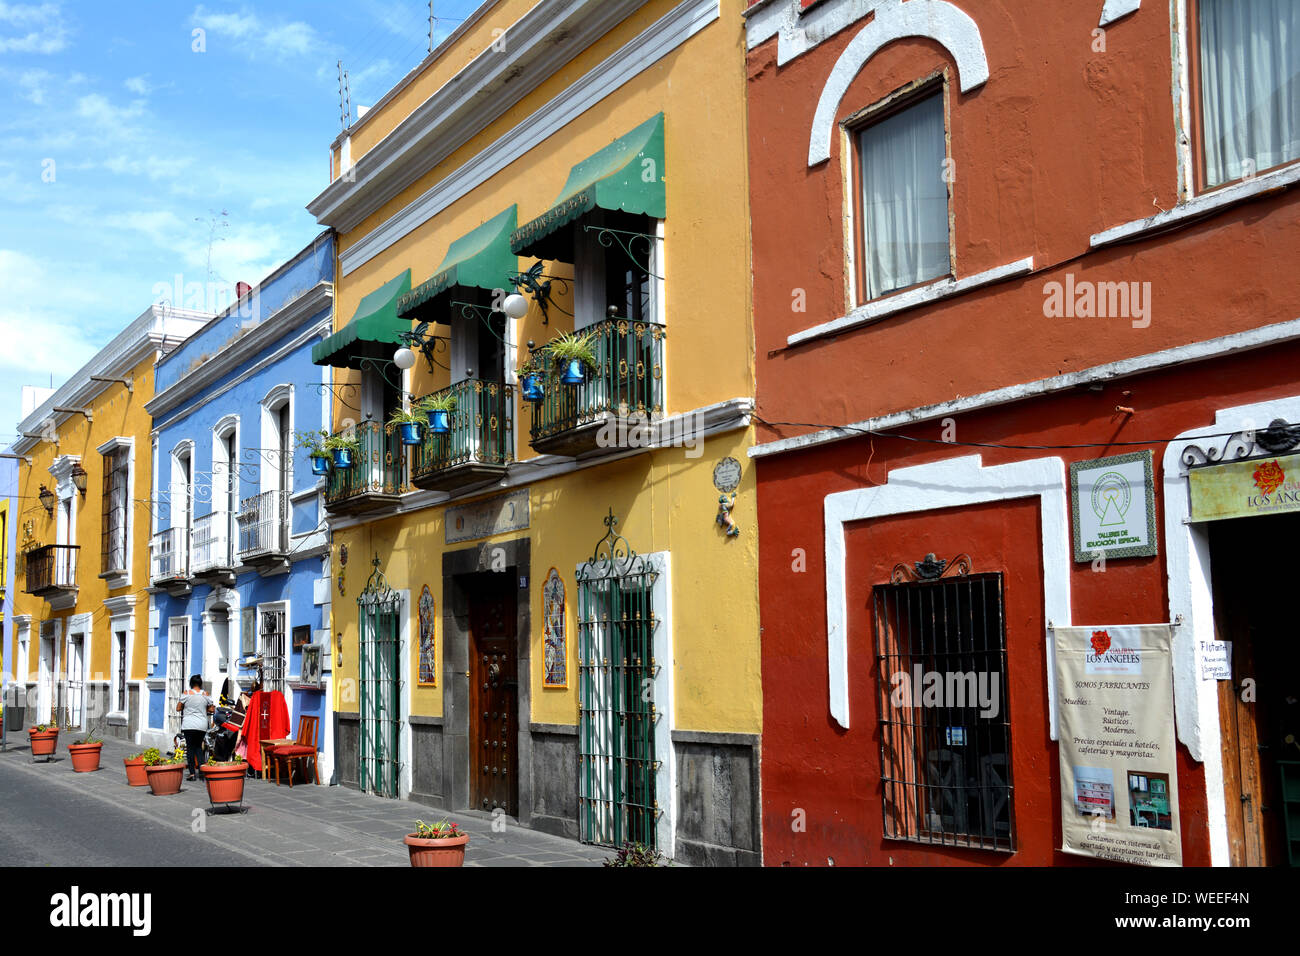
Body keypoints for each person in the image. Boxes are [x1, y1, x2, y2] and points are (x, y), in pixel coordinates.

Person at [177, 674, 214, 780]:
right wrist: (203, 709)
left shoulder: (186, 693)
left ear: (191, 683)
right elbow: (212, 709)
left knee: (190, 748)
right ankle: (202, 772)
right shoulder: (205, 694)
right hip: (201, 724)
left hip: (189, 724)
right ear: (200, 683)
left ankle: (192, 774)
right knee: (198, 748)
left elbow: (178, 708)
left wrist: (186, 706)